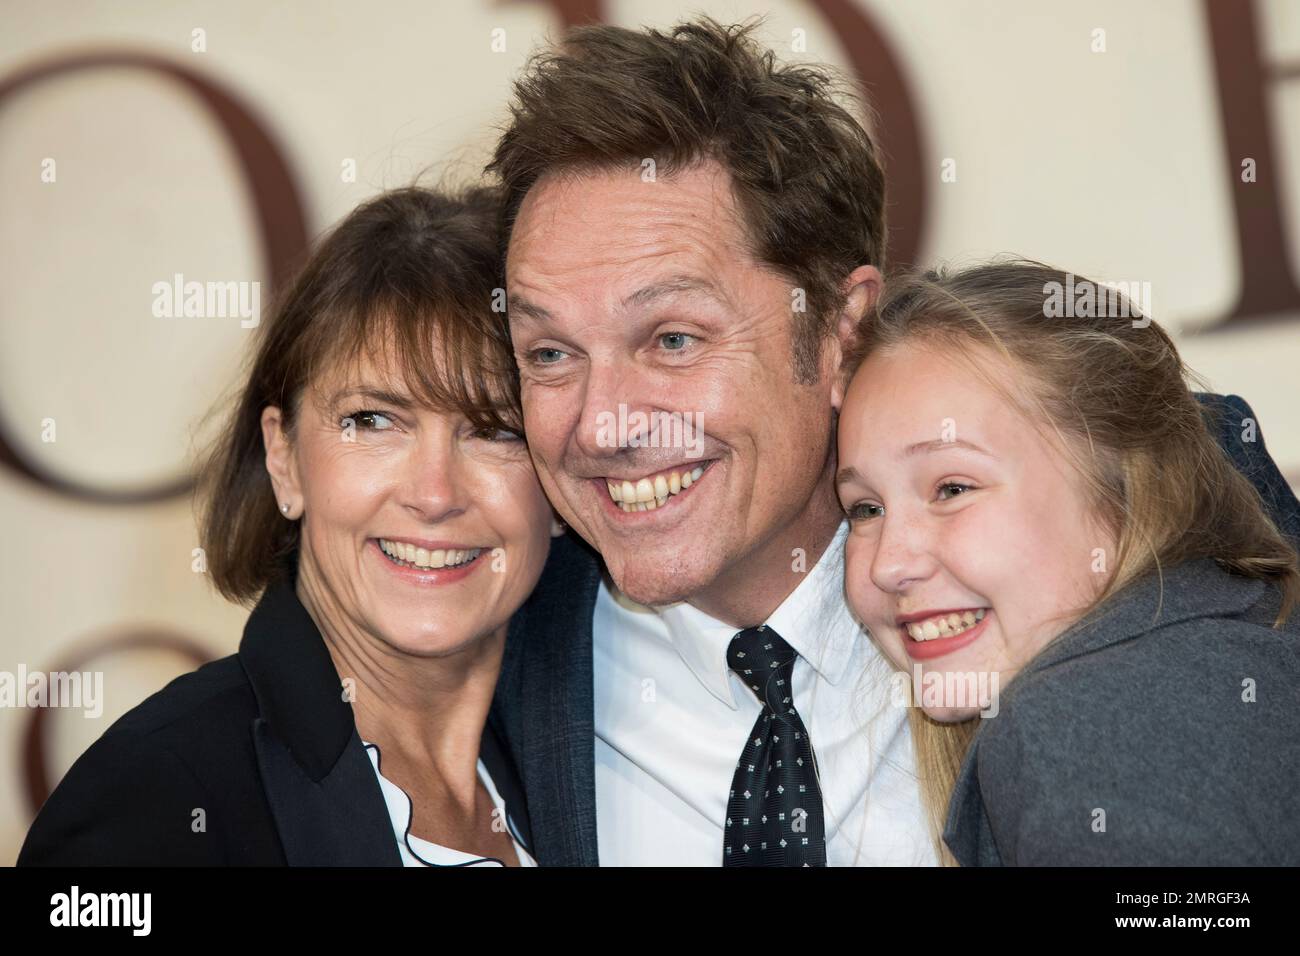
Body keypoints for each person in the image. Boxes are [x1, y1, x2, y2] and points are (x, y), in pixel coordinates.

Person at [483, 16, 1300, 866]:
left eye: (674, 339)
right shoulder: (489, 646)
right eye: (550, 354)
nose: (603, 424)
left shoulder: (1120, 531)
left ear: (842, 329)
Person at [19, 186, 562, 866]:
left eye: (496, 429)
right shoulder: (154, 797)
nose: (434, 495)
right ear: (284, 458)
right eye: (373, 421)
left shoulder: (585, 772)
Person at [835, 260, 1300, 865]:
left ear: (1124, 493)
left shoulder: (1079, 726)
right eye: (866, 508)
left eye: (952, 488)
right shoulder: (1243, 651)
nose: (888, 565)